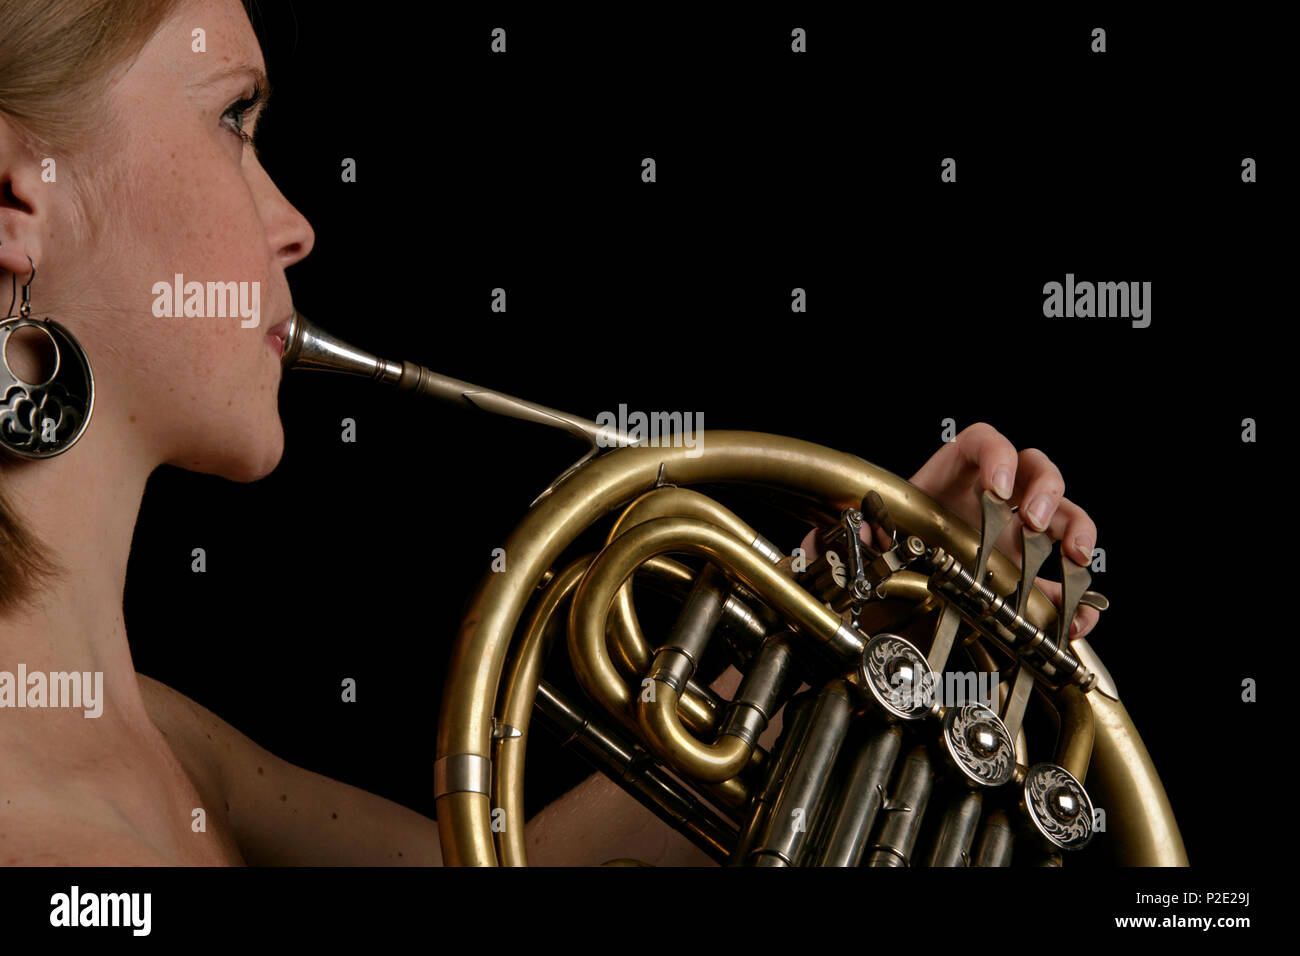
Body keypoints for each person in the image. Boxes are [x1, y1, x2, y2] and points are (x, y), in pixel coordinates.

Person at [0, 0, 1098, 866]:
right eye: (234, 116)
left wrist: (849, 651)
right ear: (17, 195)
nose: (293, 223)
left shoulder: (159, 735)